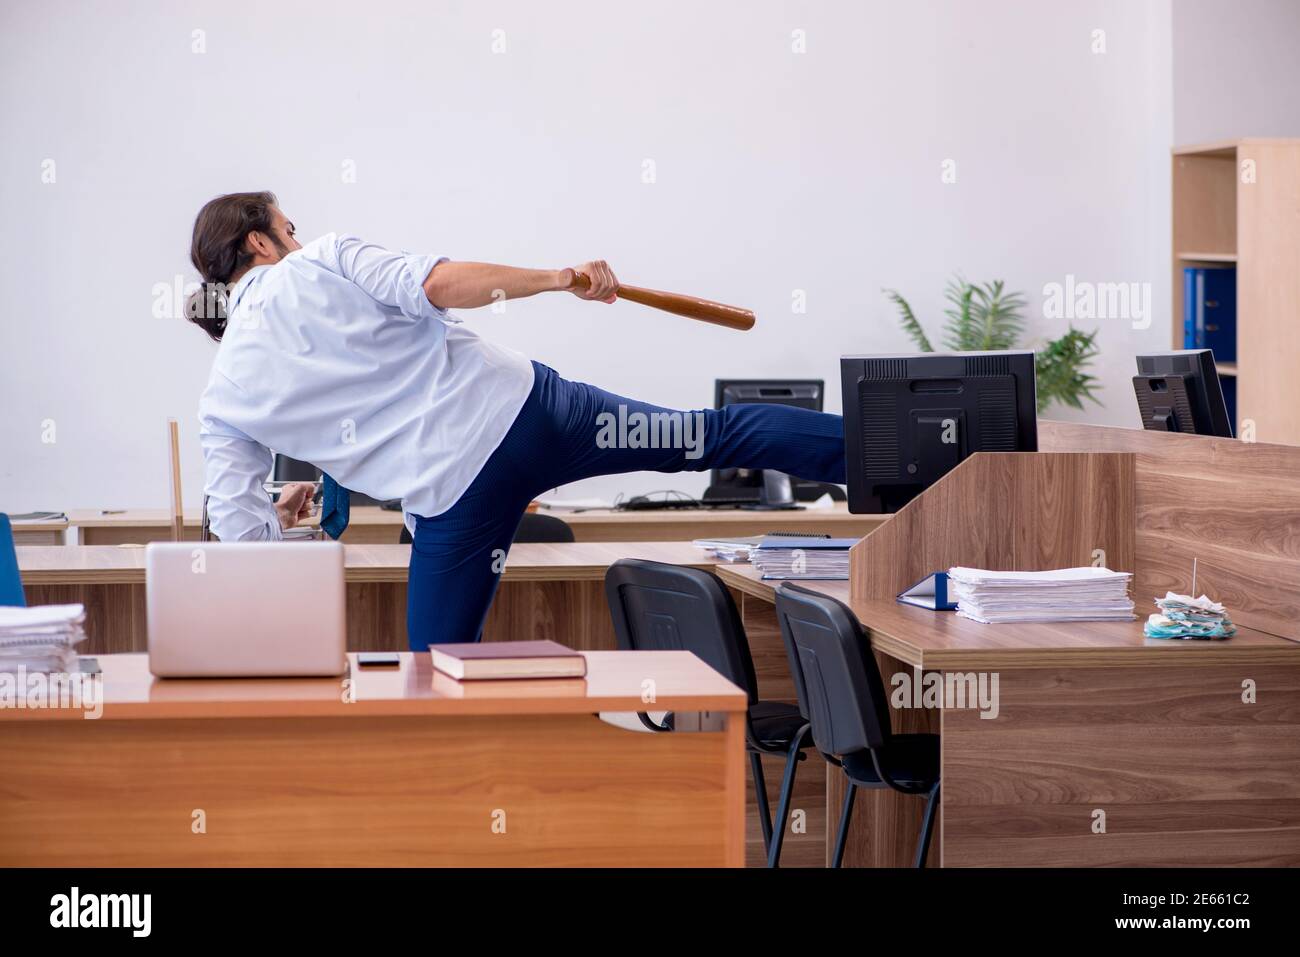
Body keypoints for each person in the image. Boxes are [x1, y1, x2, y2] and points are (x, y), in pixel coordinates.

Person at [188, 190, 845, 650]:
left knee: (439, 668)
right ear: (259, 241)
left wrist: (280, 518)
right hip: (535, 414)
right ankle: (885, 453)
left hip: (456, 499)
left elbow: (242, 539)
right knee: (710, 434)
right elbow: (438, 283)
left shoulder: (225, 396)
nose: (297, 237)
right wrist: (559, 277)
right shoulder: (323, 260)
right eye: (288, 227)